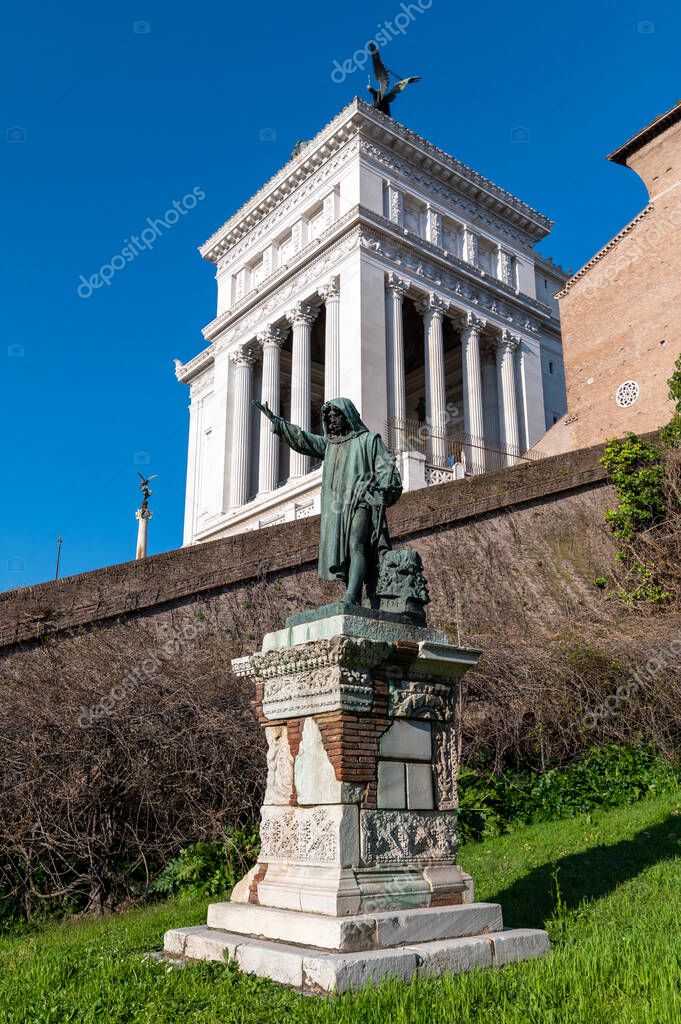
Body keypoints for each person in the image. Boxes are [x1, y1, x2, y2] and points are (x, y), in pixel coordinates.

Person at [253, 397, 402, 605]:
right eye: (328, 418)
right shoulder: (330, 446)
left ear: (347, 416)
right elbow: (303, 440)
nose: (331, 421)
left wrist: (387, 487)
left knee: (356, 544)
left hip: (362, 500)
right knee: (345, 554)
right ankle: (354, 597)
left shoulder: (369, 440)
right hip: (337, 507)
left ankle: (350, 596)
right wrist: (278, 423)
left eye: (335, 416)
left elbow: (386, 468)